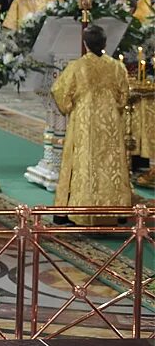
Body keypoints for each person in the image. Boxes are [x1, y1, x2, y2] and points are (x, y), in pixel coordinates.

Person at [52, 25, 131, 226]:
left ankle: (78, 211)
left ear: (85, 44)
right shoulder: (116, 67)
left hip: (84, 120)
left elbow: (60, 92)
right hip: (110, 121)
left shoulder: (76, 66)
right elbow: (124, 97)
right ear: (105, 43)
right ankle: (116, 210)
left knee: (83, 162)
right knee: (110, 163)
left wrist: (70, 106)